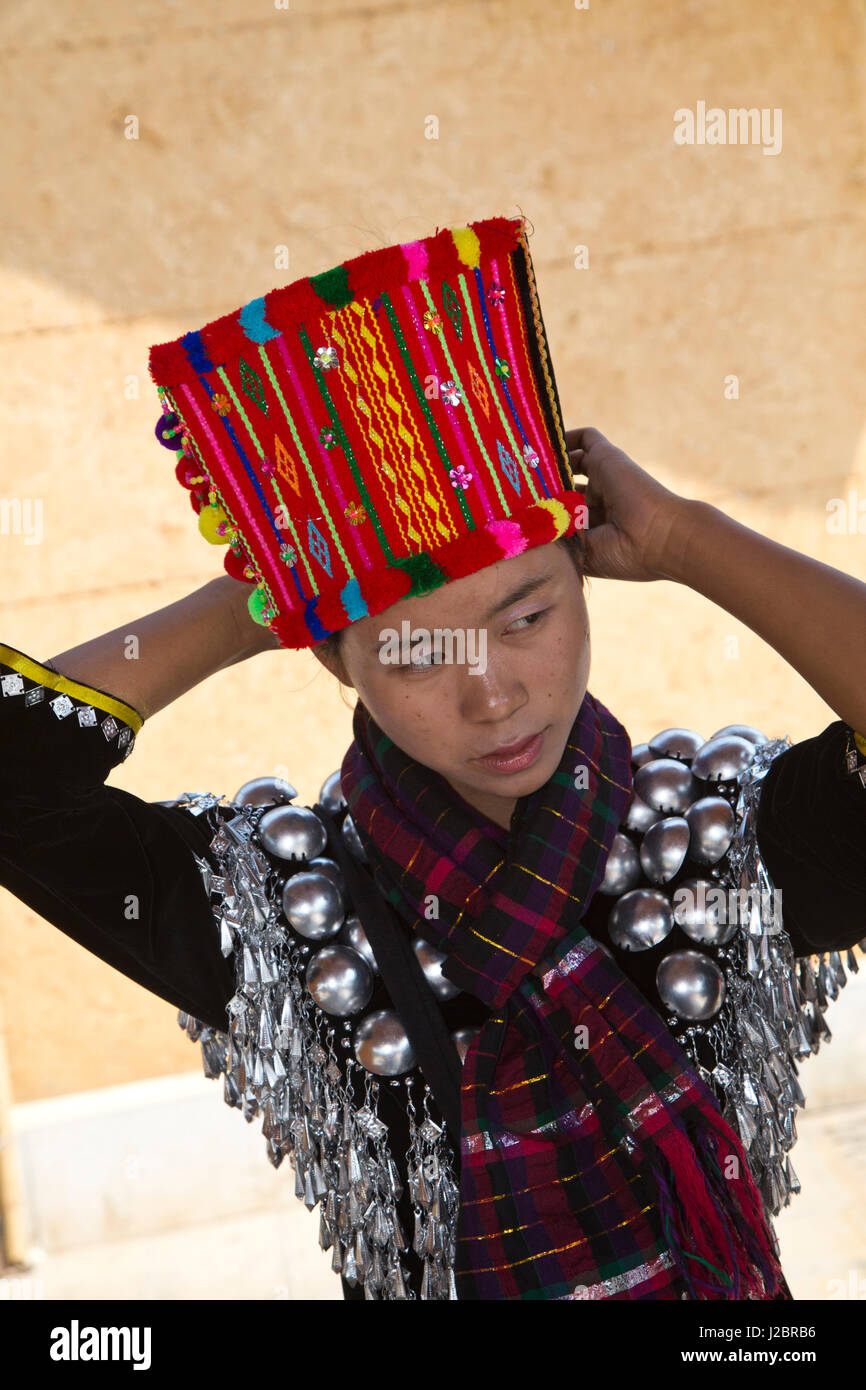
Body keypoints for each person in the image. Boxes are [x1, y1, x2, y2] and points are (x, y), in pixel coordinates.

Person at [1, 214, 865, 1302]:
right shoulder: (282, 923)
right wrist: (245, 604)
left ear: (585, 580)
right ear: (332, 662)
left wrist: (689, 538)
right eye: (413, 651)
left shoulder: (712, 851)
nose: (491, 692)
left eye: (526, 616)